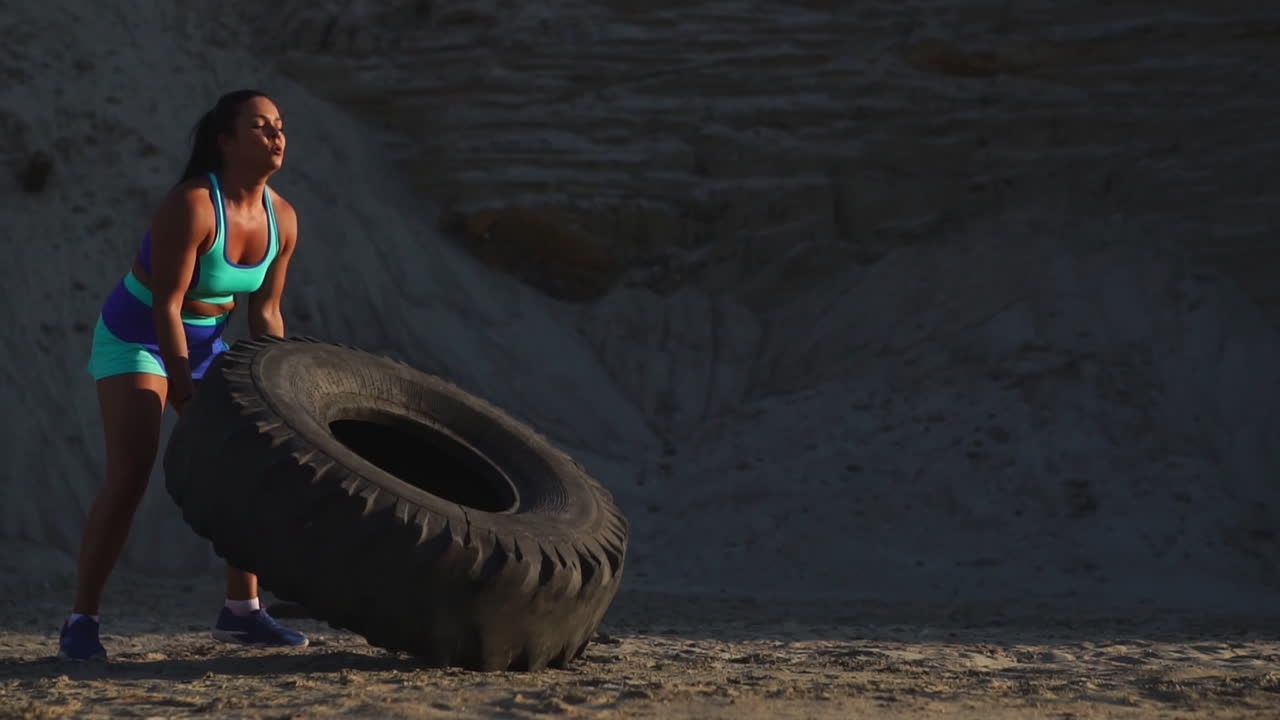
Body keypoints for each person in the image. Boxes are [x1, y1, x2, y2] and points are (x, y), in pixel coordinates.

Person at [58, 90, 308, 661]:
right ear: (226, 140)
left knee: (248, 462)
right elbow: (165, 308)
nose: (276, 136)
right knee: (131, 472)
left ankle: (241, 611)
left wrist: (274, 388)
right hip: (137, 336)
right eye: (260, 126)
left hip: (206, 342)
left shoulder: (284, 218)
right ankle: (81, 620)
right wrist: (189, 395)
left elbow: (266, 313)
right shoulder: (193, 205)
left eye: (279, 126)